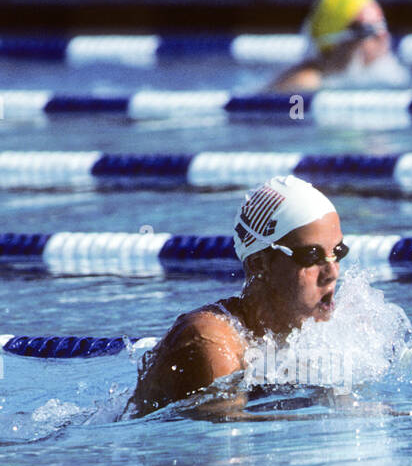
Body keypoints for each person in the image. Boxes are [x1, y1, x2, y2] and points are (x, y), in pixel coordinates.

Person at [126, 176, 346, 417]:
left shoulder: (317, 335)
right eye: (311, 256)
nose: (331, 271)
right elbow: (228, 437)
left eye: (338, 253)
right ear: (259, 263)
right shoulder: (209, 342)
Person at [269, 0, 405, 92]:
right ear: (340, 39)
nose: (383, 36)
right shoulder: (304, 84)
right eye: (369, 30)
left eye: (383, 25)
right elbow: (292, 117)